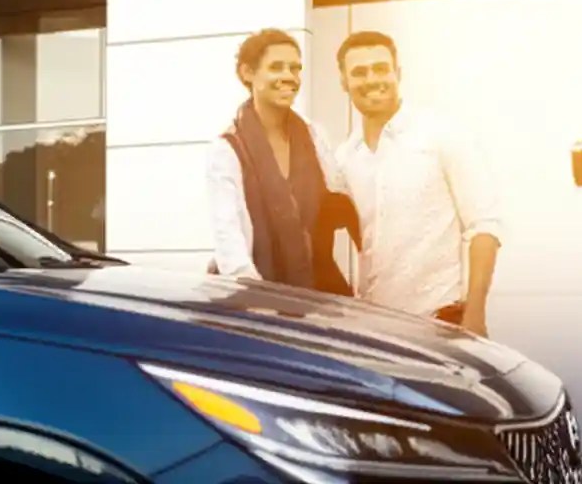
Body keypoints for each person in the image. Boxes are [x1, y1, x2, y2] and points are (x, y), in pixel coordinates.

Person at [334, 31, 503, 337]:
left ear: (397, 73)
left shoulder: (442, 135)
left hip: (440, 320)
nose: (372, 79)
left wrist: (475, 314)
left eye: (381, 68)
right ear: (344, 83)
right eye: (359, 72)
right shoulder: (345, 157)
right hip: (375, 327)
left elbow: (484, 226)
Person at [205, 29, 358, 295]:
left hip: (318, 295)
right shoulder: (228, 148)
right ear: (247, 73)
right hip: (259, 301)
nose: (289, 77)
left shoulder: (313, 136)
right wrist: (257, 304)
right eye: (276, 67)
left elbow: (344, 201)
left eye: (295, 68)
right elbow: (228, 238)